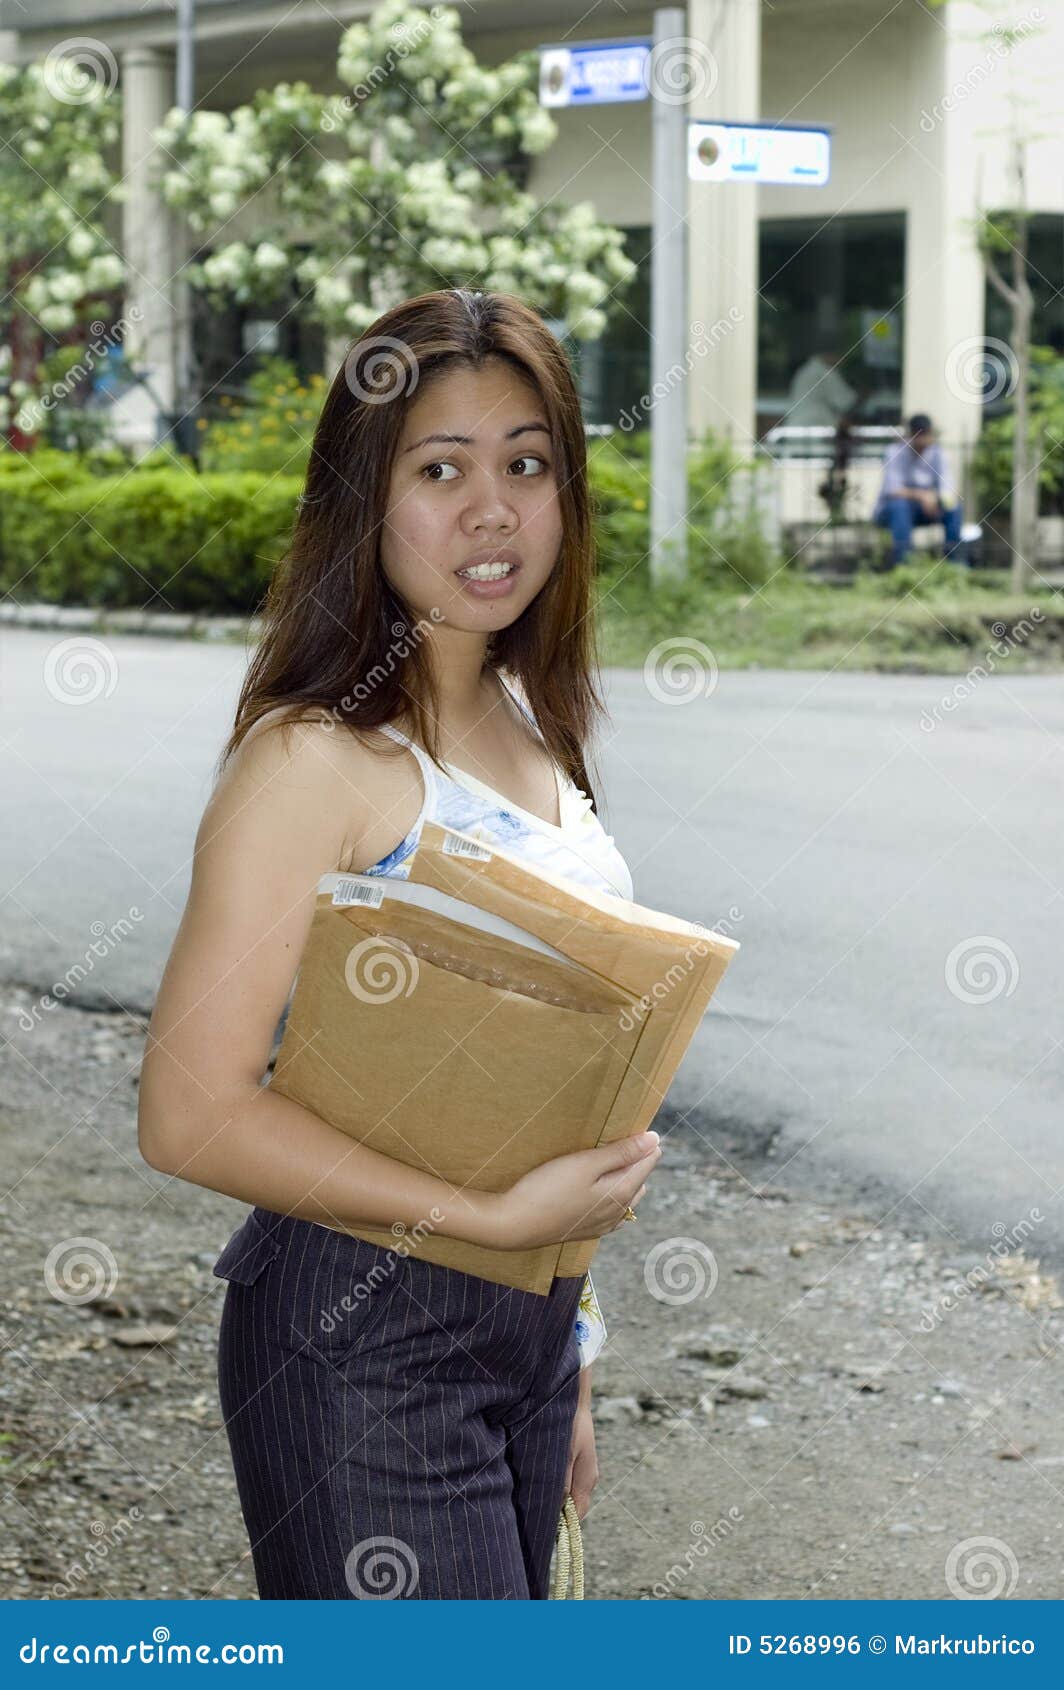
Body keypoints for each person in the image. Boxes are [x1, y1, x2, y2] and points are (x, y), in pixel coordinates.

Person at [137, 287, 665, 1601]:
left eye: (528, 465)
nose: (495, 509)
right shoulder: (316, 759)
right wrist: (488, 1216)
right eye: (443, 469)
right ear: (364, 498)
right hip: (359, 1330)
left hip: (525, 1338)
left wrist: (571, 1357)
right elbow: (190, 1113)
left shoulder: (532, 726)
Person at [874, 412, 965, 566]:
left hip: (929, 508)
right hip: (893, 510)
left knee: (954, 507)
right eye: (918, 435)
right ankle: (904, 564)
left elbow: (948, 488)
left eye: (925, 435)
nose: (922, 440)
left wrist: (937, 499)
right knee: (900, 506)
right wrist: (922, 496)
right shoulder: (895, 452)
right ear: (910, 434)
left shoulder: (938, 453)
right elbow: (892, 489)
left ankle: (954, 563)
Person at [784, 342, 858, 429]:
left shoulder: (805, 369)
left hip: (794, 425)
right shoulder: (825, 372)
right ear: (830, 354)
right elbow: (845, 402)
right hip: (814, 426)